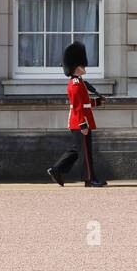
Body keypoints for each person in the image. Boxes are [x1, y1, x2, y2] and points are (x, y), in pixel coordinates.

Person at [47, 41, 107, 188]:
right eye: (82, 64)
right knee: (85, 153)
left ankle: (56, 170)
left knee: (77, 150)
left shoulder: (80, 82)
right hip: (80, 122)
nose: (85, 67)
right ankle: (90, 179)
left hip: (82, 120)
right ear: (75, 67)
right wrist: (83, 124)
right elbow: (78, 107)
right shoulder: (74, 84)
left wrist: (98, 102)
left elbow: (85, 104)